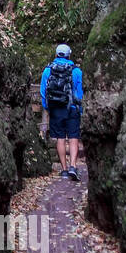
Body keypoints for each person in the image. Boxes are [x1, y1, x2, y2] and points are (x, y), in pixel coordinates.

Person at [40, 44, 83, 180]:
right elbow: (79, 92)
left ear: (56, 54)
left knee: (60, 138)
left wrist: (47, 107)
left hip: (56, 108)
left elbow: (43, 91)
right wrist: (80, 109)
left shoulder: (48, 70)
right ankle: (73, 166)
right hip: (72, 108)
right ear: (69, 55)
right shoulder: (76, 71)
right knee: (73, 137)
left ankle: (64, 170)